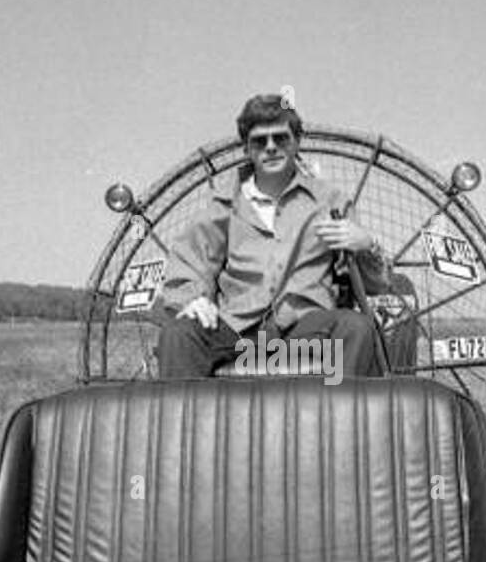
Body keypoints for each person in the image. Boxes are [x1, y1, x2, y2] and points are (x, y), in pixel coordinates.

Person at [156, 94, 390, 378]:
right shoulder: (224, 205)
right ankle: (189, 422)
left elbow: (375, 284)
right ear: (246, 149)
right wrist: (193, 298)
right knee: (179, 333)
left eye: (280, 138)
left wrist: (365, 244)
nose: (270, 148)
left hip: (305, 329)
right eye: (259, 141)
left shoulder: (330, 202)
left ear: (297, 141)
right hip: (238, 333)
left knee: (355, 327)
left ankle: (337, 420)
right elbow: (190, 262)